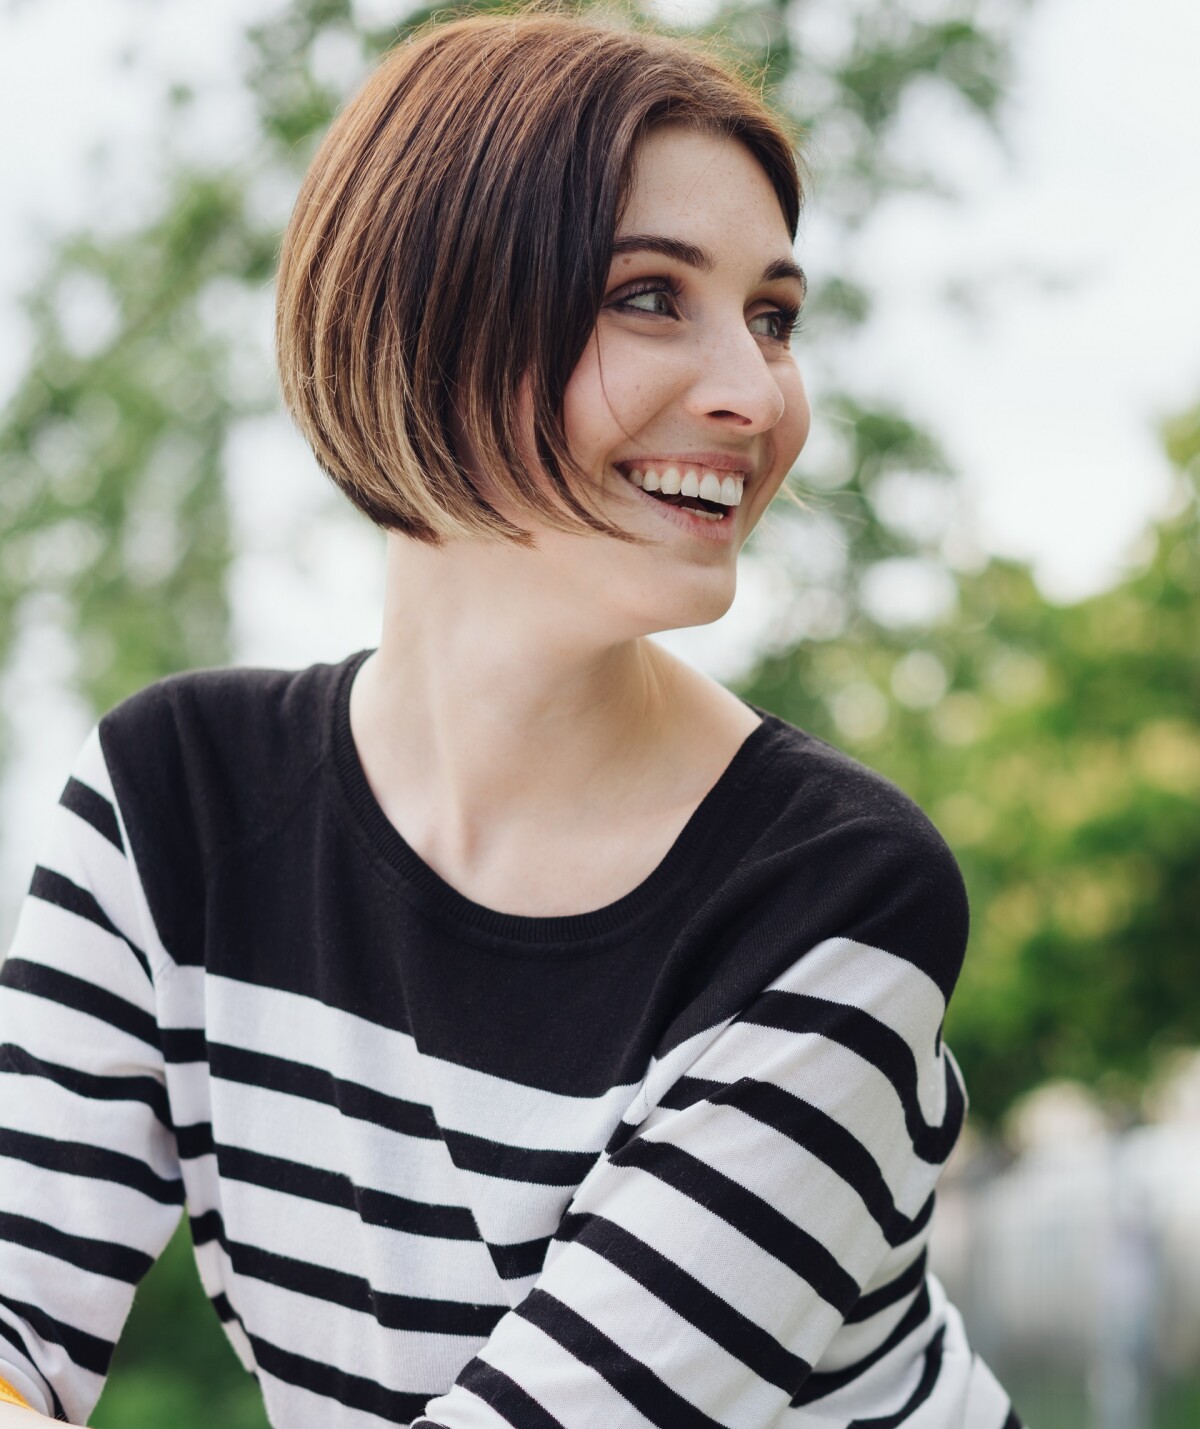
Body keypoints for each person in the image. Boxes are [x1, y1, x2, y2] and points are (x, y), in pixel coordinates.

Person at [0, 9, 1023, 1427]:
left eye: (774, 316)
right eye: (652, 295)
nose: (756, 393)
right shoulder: (168, 803)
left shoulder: (833, 898)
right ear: (430, 313)